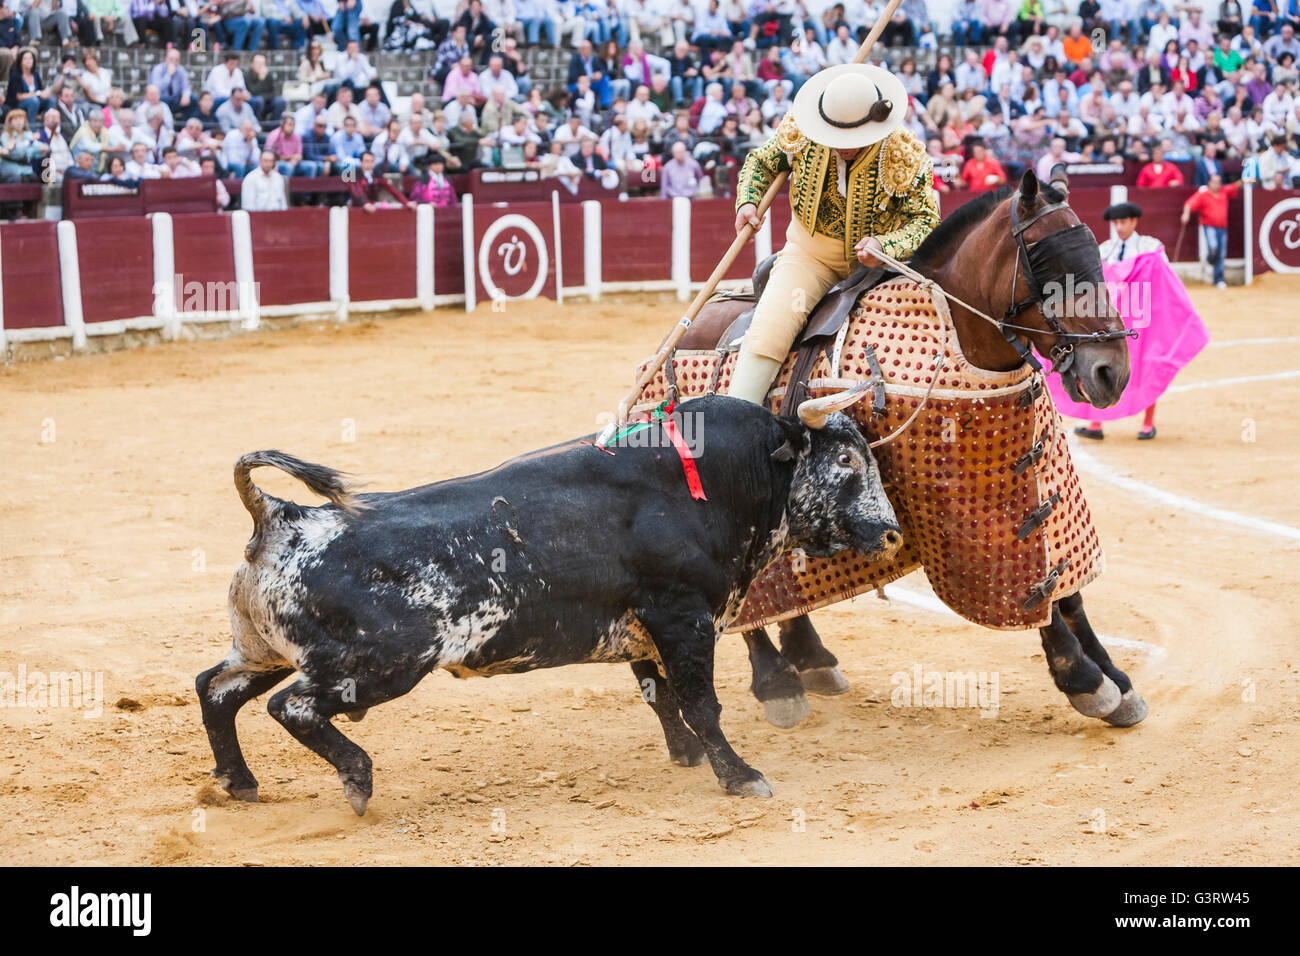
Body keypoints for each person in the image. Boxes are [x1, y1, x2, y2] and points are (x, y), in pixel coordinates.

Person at [729, 62, 939, 405]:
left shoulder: (904, 152)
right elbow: (761, 162)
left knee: (923, 338)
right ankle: (738, 412)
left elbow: (926, 221)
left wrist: (885, 246)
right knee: (769, 332)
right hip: (809, 257)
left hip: (881, 269)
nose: (843, 146)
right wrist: (748, 202)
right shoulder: (802, 129)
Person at [1061, 200, 1210, 443]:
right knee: (1100, 366)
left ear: (1133, 222)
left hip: (1144, 319)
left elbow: (1164, 281)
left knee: (1147, 364)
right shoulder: (1105, 249)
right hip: (1113, 321)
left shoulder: (1150, 248)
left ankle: (1147, 423)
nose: (1119, 227)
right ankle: (1096, 423)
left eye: (1123, 222)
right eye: (1115, 223)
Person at [1182, 171, 1249, 288]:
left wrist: (1246, 179)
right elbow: (1189, 204)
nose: (1216, 185)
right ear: (1209, 183)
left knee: (1221, 253)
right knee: (1213, 248)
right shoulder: (1203, 194)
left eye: (1218, 182)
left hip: (1223, 227)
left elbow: (1235, 185)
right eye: (1214, 182)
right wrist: (1186, 214)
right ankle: (1210, 260)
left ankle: (1218, 280)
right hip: (1209, 226)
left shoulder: (1224, 191)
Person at [348, 149, 416, 211]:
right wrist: (365, 203)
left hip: (372, 206)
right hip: (357, 207)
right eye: (366, 161)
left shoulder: (377, 173)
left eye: (371, 161)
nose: (369, 164)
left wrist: (406, 202)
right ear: (361, 163)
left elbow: (391, 188)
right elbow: (356, 190)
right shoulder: (355, 173)